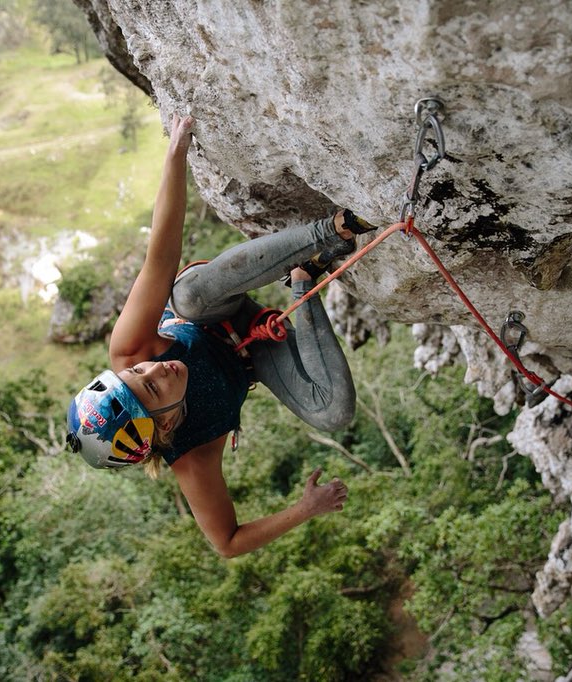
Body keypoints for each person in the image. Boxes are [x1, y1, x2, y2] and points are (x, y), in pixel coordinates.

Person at [66, 114, 376, 557]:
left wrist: (175, 154)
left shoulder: (130, 347)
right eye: (153, 387)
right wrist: (306, 508)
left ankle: (334, 230)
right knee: (332, 414)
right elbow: (227, 543)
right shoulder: (192, 459)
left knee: (187, 295)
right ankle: (303, 279)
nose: (154, 367)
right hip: (259, 351)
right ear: (165, 425)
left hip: (217, 304)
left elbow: (163, 254)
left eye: (136, 372)